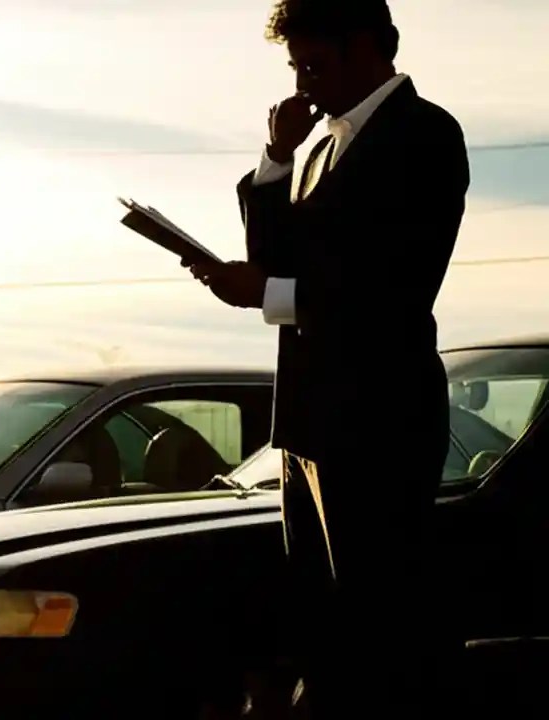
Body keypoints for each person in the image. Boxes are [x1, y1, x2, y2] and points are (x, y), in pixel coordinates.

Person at [185, 1, 470, 718]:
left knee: (375, 631)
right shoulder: (315, 149)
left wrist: (268, 290)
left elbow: (394, 289)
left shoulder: (425, 135)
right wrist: (277, 159)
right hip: (307, 422)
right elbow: (275, 267)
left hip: (380, 421)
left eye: (316, 65)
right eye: (296, 68)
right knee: (319, 622)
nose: (304, 86)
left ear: (368, 51)